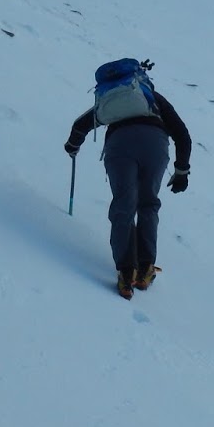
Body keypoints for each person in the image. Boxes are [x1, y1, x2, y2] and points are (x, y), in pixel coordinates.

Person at [64, 63, 193, 299]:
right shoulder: (153, 98)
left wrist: (73, 145)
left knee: (124, 205)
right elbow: (181, 133)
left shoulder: (110, 103)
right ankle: (145, 269)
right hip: (155, 145)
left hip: (119, 146)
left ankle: (126, 272)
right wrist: (181, 170)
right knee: (148, 204)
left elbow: (80, 125)